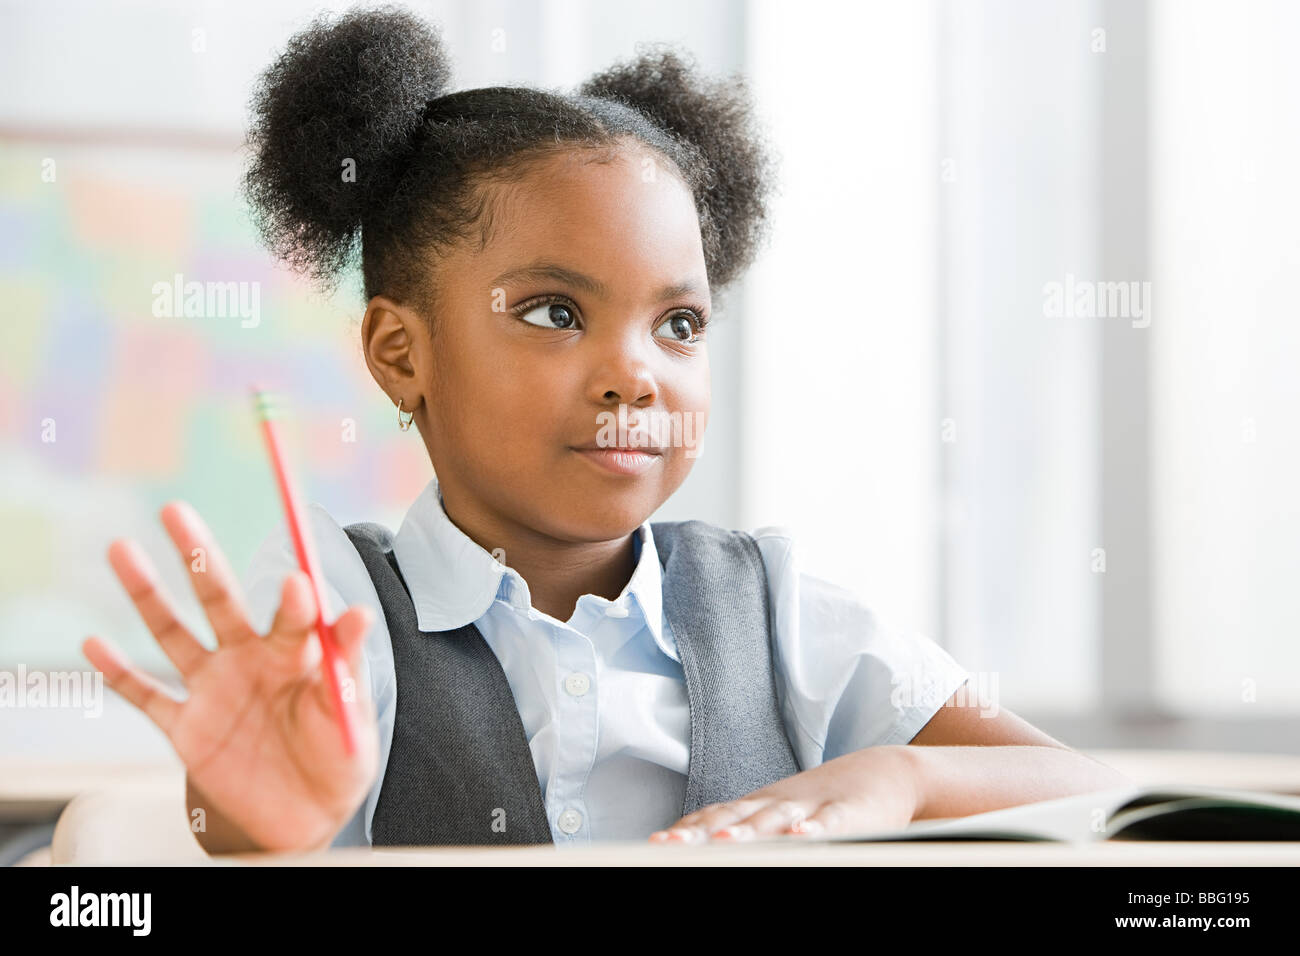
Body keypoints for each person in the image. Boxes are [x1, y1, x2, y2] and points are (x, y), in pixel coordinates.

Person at [82, 5, 1131, 855]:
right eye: (553, 312)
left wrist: (901, 773)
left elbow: (1092, 789)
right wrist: (259, 825)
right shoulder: (335, 609)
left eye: (679, 322)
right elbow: (244, 812)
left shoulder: (772, 608)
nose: (637, 370)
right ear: (402, 352)